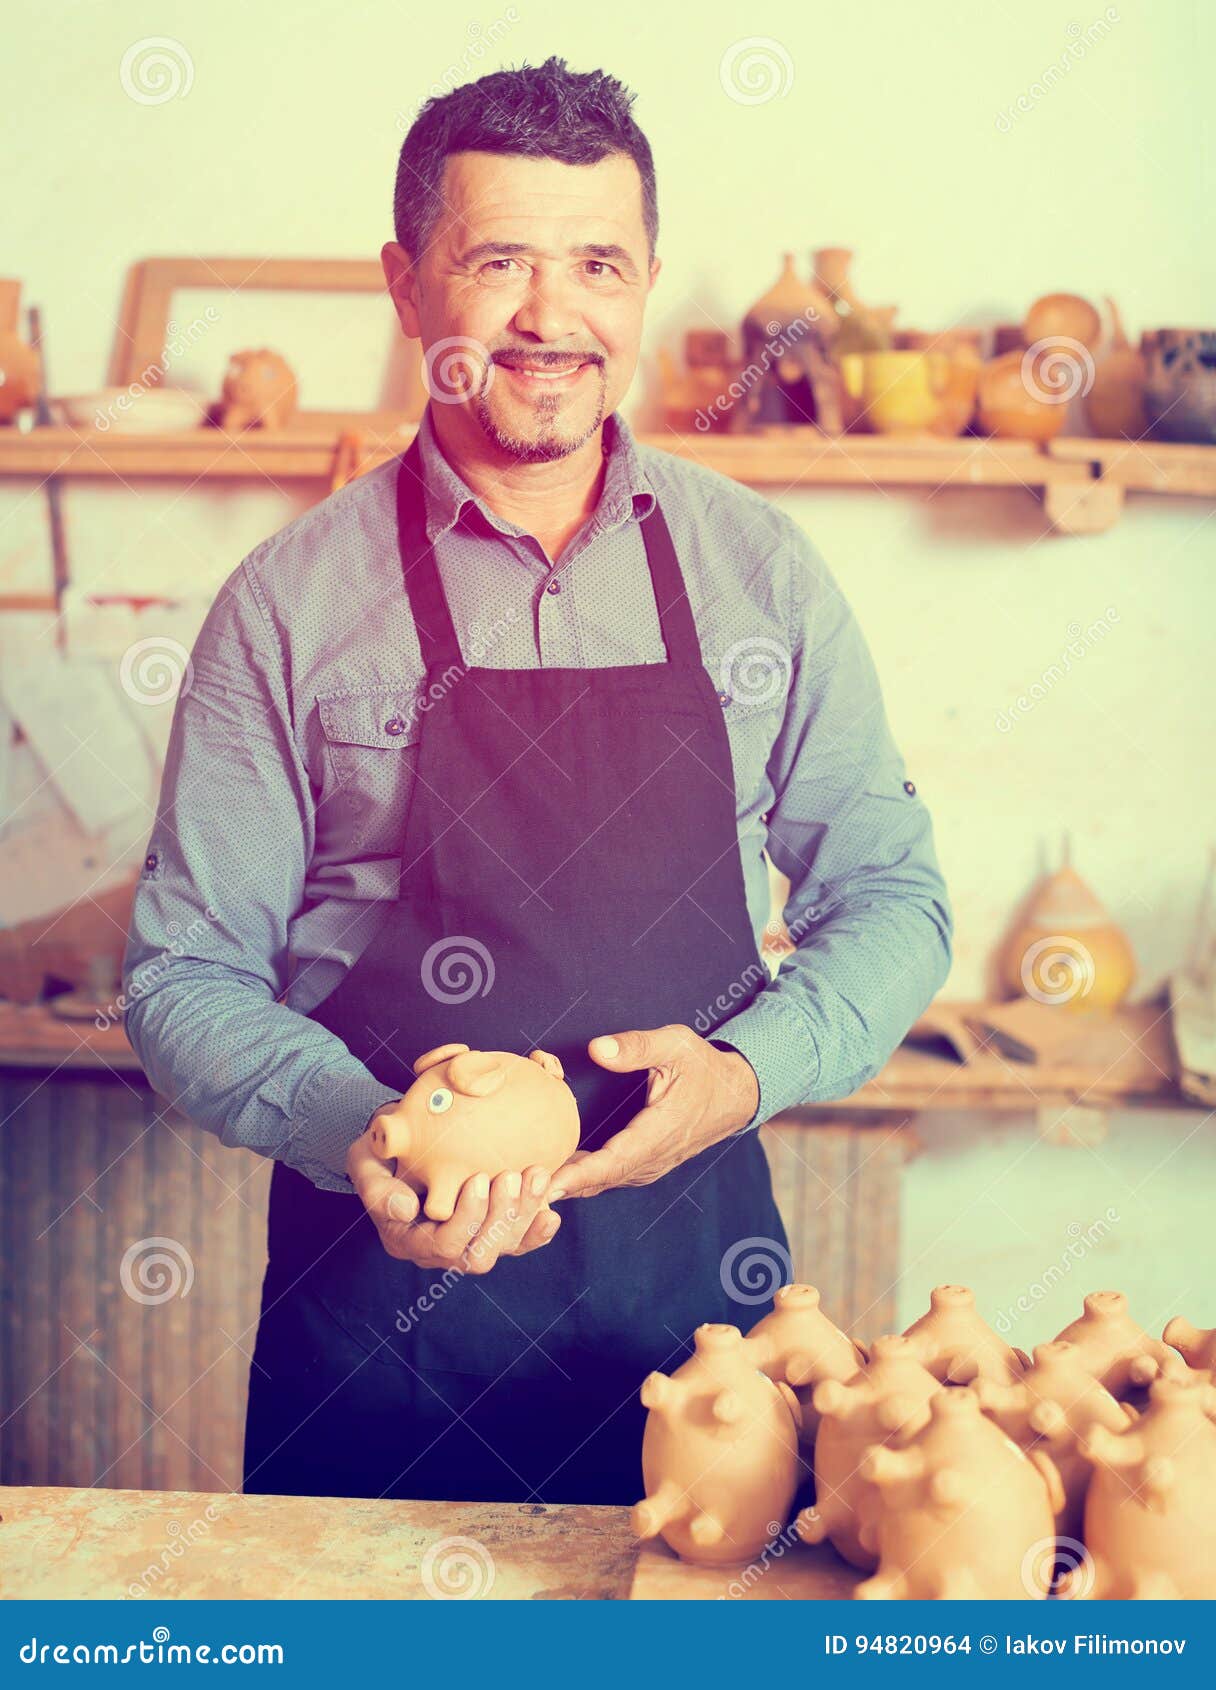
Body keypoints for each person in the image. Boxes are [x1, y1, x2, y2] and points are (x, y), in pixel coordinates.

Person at [123, 56, 952, 1507]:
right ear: (408, 282)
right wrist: (366, 1131)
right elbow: (183, 974)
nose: (552, 316)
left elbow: (891, 894)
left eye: (597, 265)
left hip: (700, 1342)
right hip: (382, 1342)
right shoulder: (288, 605)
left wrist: (748, 1072)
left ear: (641, 285)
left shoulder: (758, 574)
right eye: (498, 260)